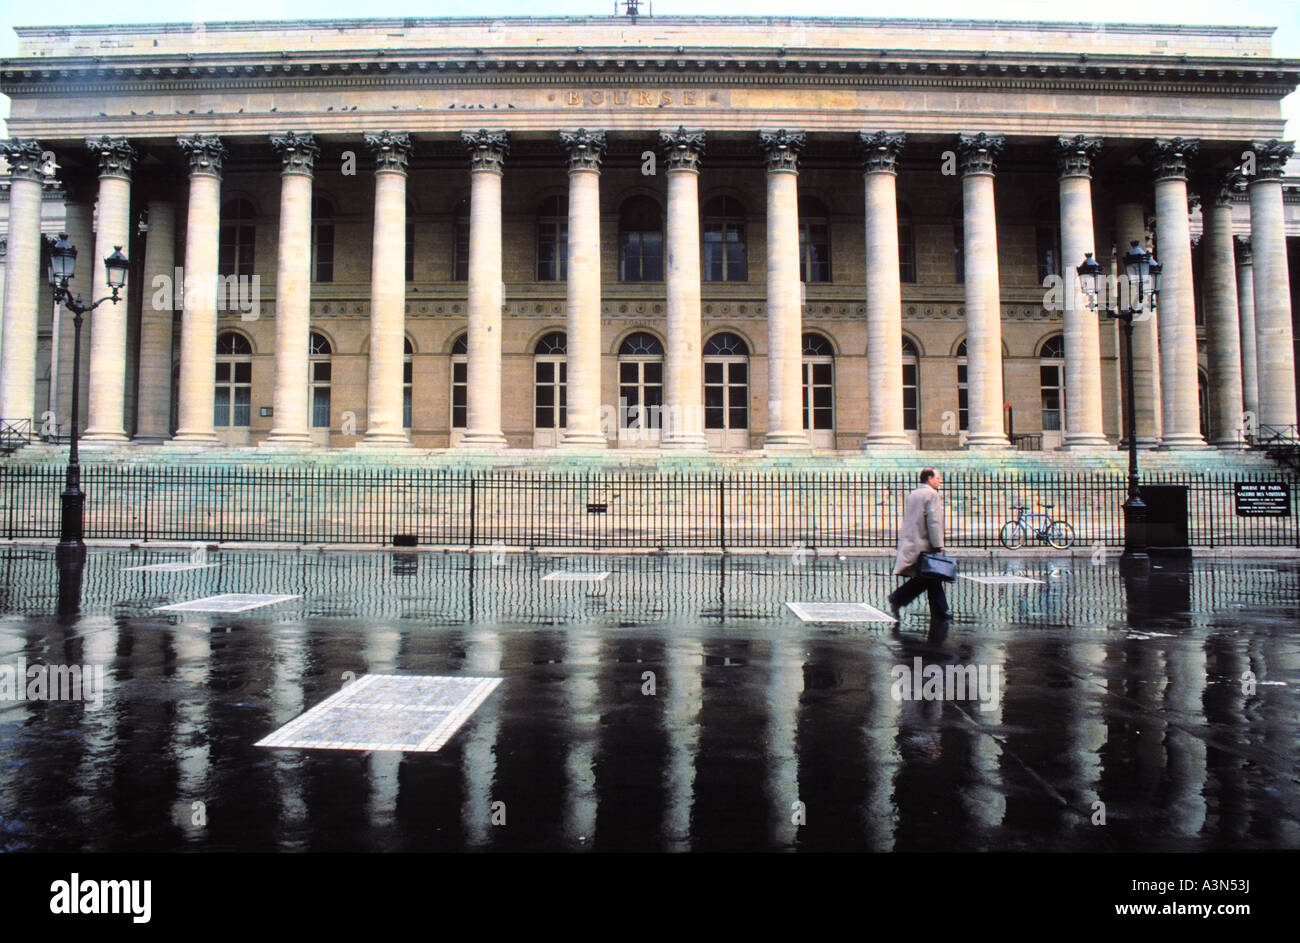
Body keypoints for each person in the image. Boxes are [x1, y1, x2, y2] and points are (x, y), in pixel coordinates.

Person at [887, 467, 952, 620]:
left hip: (912, 541)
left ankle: (941, 610)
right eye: (937, 478)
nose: (940, 481)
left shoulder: (914, 494)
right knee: (930, 576)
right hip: (925, 543)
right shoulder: (931, 494)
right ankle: (898, 598)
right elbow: (934, 521)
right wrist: (938, 544)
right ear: (929, 478)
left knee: (930, 578)